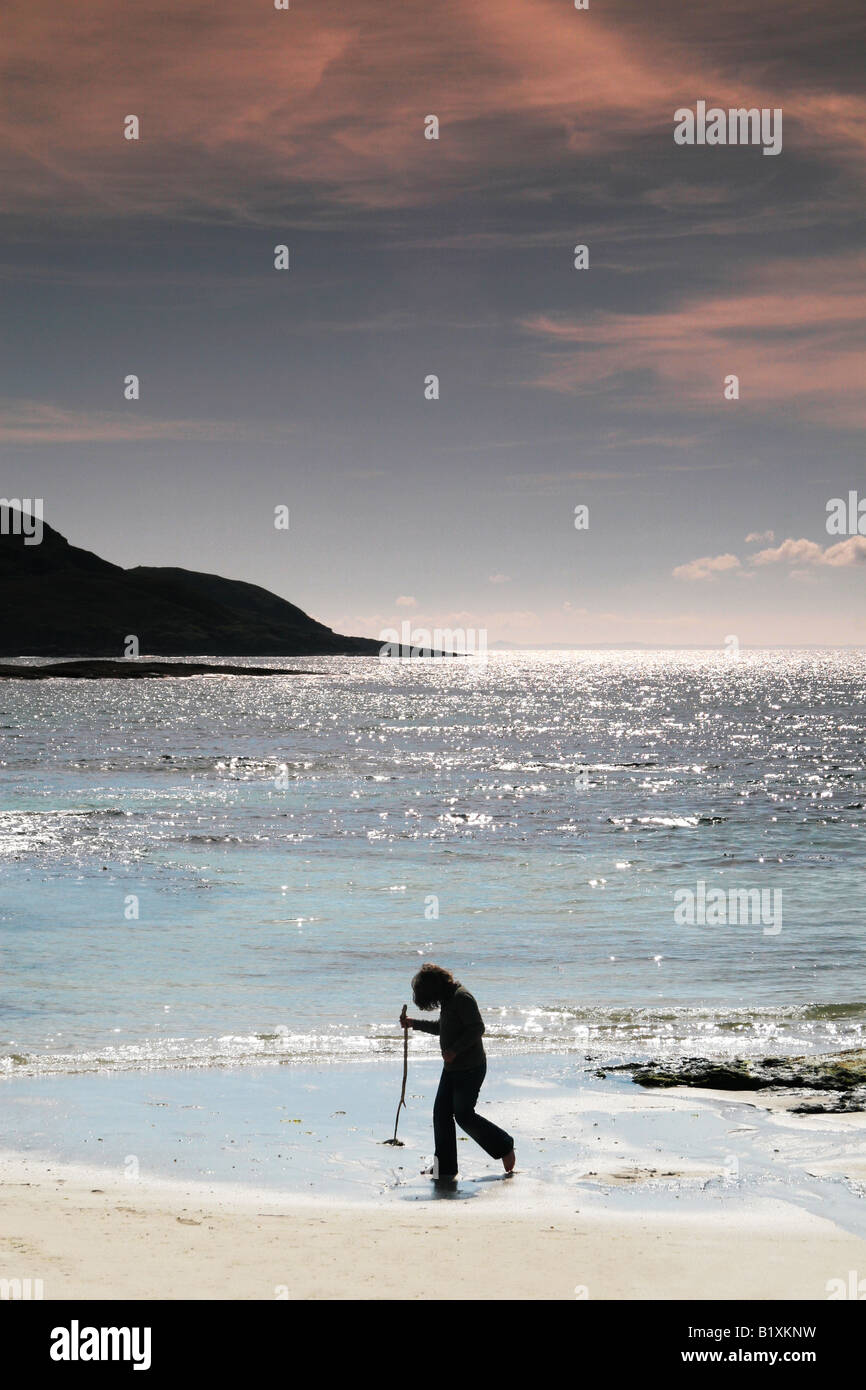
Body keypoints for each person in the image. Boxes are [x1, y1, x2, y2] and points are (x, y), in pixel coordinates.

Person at [400, 963, 515, 1181]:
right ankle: (445, 1168)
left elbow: (477, 1028)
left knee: (463, 1115)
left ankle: (504, 1147)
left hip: (470, 1068)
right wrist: (413, 1024)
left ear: (436, 988)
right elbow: (442, 1027)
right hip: (452, 1069)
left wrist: (454, 1049)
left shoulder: (462, 998)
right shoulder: (448, 999)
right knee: (441, 1115)